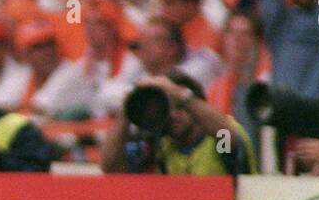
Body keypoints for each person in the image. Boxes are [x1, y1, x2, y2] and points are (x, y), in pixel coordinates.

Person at [101, 70, 256, 175]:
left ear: (196, 105)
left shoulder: (218, 141)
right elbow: (110, 167)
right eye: (168, 109)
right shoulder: (159, 144)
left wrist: (179, 94)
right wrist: (128, 108)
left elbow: (226, 135)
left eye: (180, 107)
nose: (174, 115)